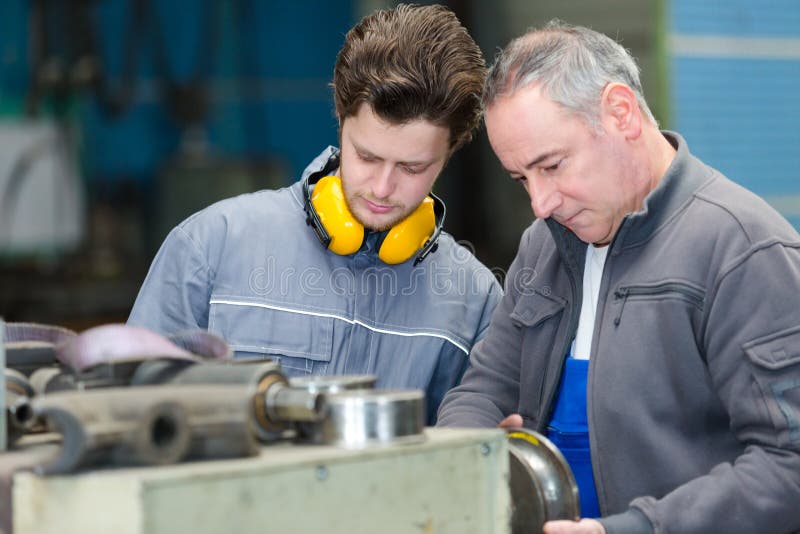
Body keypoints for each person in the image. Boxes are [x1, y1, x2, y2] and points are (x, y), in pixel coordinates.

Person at [437, 20, 800, 534]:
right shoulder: (545, 246)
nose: (539, 203)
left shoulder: (742, 249)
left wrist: (635, 528)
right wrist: (460, 457)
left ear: (621, 113)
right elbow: (484, 388)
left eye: (553, 166)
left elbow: (790, 466)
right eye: (522, 179)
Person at [128, 4, 502, 424]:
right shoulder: (210, 247)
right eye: (366, 156)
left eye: (412, 168)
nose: (382, 187)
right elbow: (130, 414)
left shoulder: (474, 300)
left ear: (449, 154)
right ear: (340, 121)